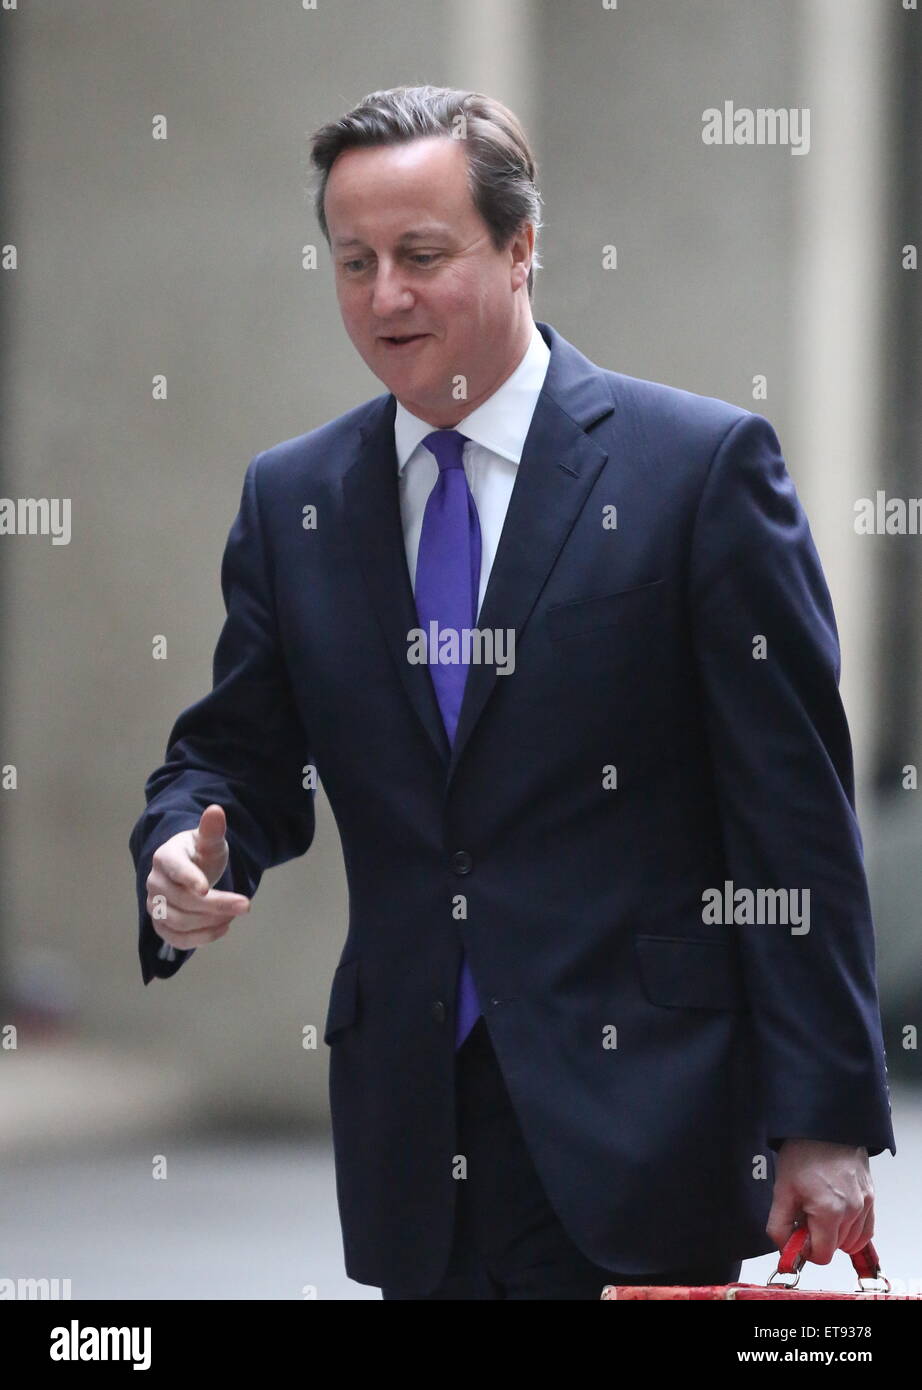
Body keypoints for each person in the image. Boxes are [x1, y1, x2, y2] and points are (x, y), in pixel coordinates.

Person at [129, 84, 895, 1300]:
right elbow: (237, 757)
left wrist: (825, 1116)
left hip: (648, 1122)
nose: (385, 296)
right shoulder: (294, 500)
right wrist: (184, 848)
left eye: (423, 256)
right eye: (354, 261)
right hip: (411, 1130)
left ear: (523, 247)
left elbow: (793, 821)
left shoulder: (694, 471)